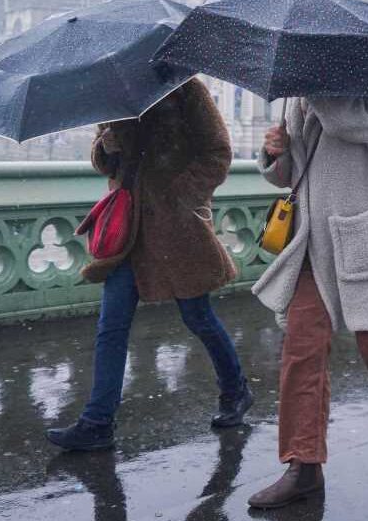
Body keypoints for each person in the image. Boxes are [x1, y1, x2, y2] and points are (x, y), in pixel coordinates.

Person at [247, 97, 368, 509]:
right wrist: (275, 154)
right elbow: (294, 174)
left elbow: (357, 125)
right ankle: (303, 467)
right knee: (301, 351)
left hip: (366, 237)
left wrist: (317, 94)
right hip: (311, 242)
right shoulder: (301, 95)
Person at [46, 78, 253, 451]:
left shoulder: (187, 89)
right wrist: (106, 149)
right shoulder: (116, 95)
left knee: (198, 317)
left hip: (177, 229)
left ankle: (236, 391)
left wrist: (179, 195)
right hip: (130, 231)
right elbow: (106, 163)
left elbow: (218, 153)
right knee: (111, 326)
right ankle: (97, 423)